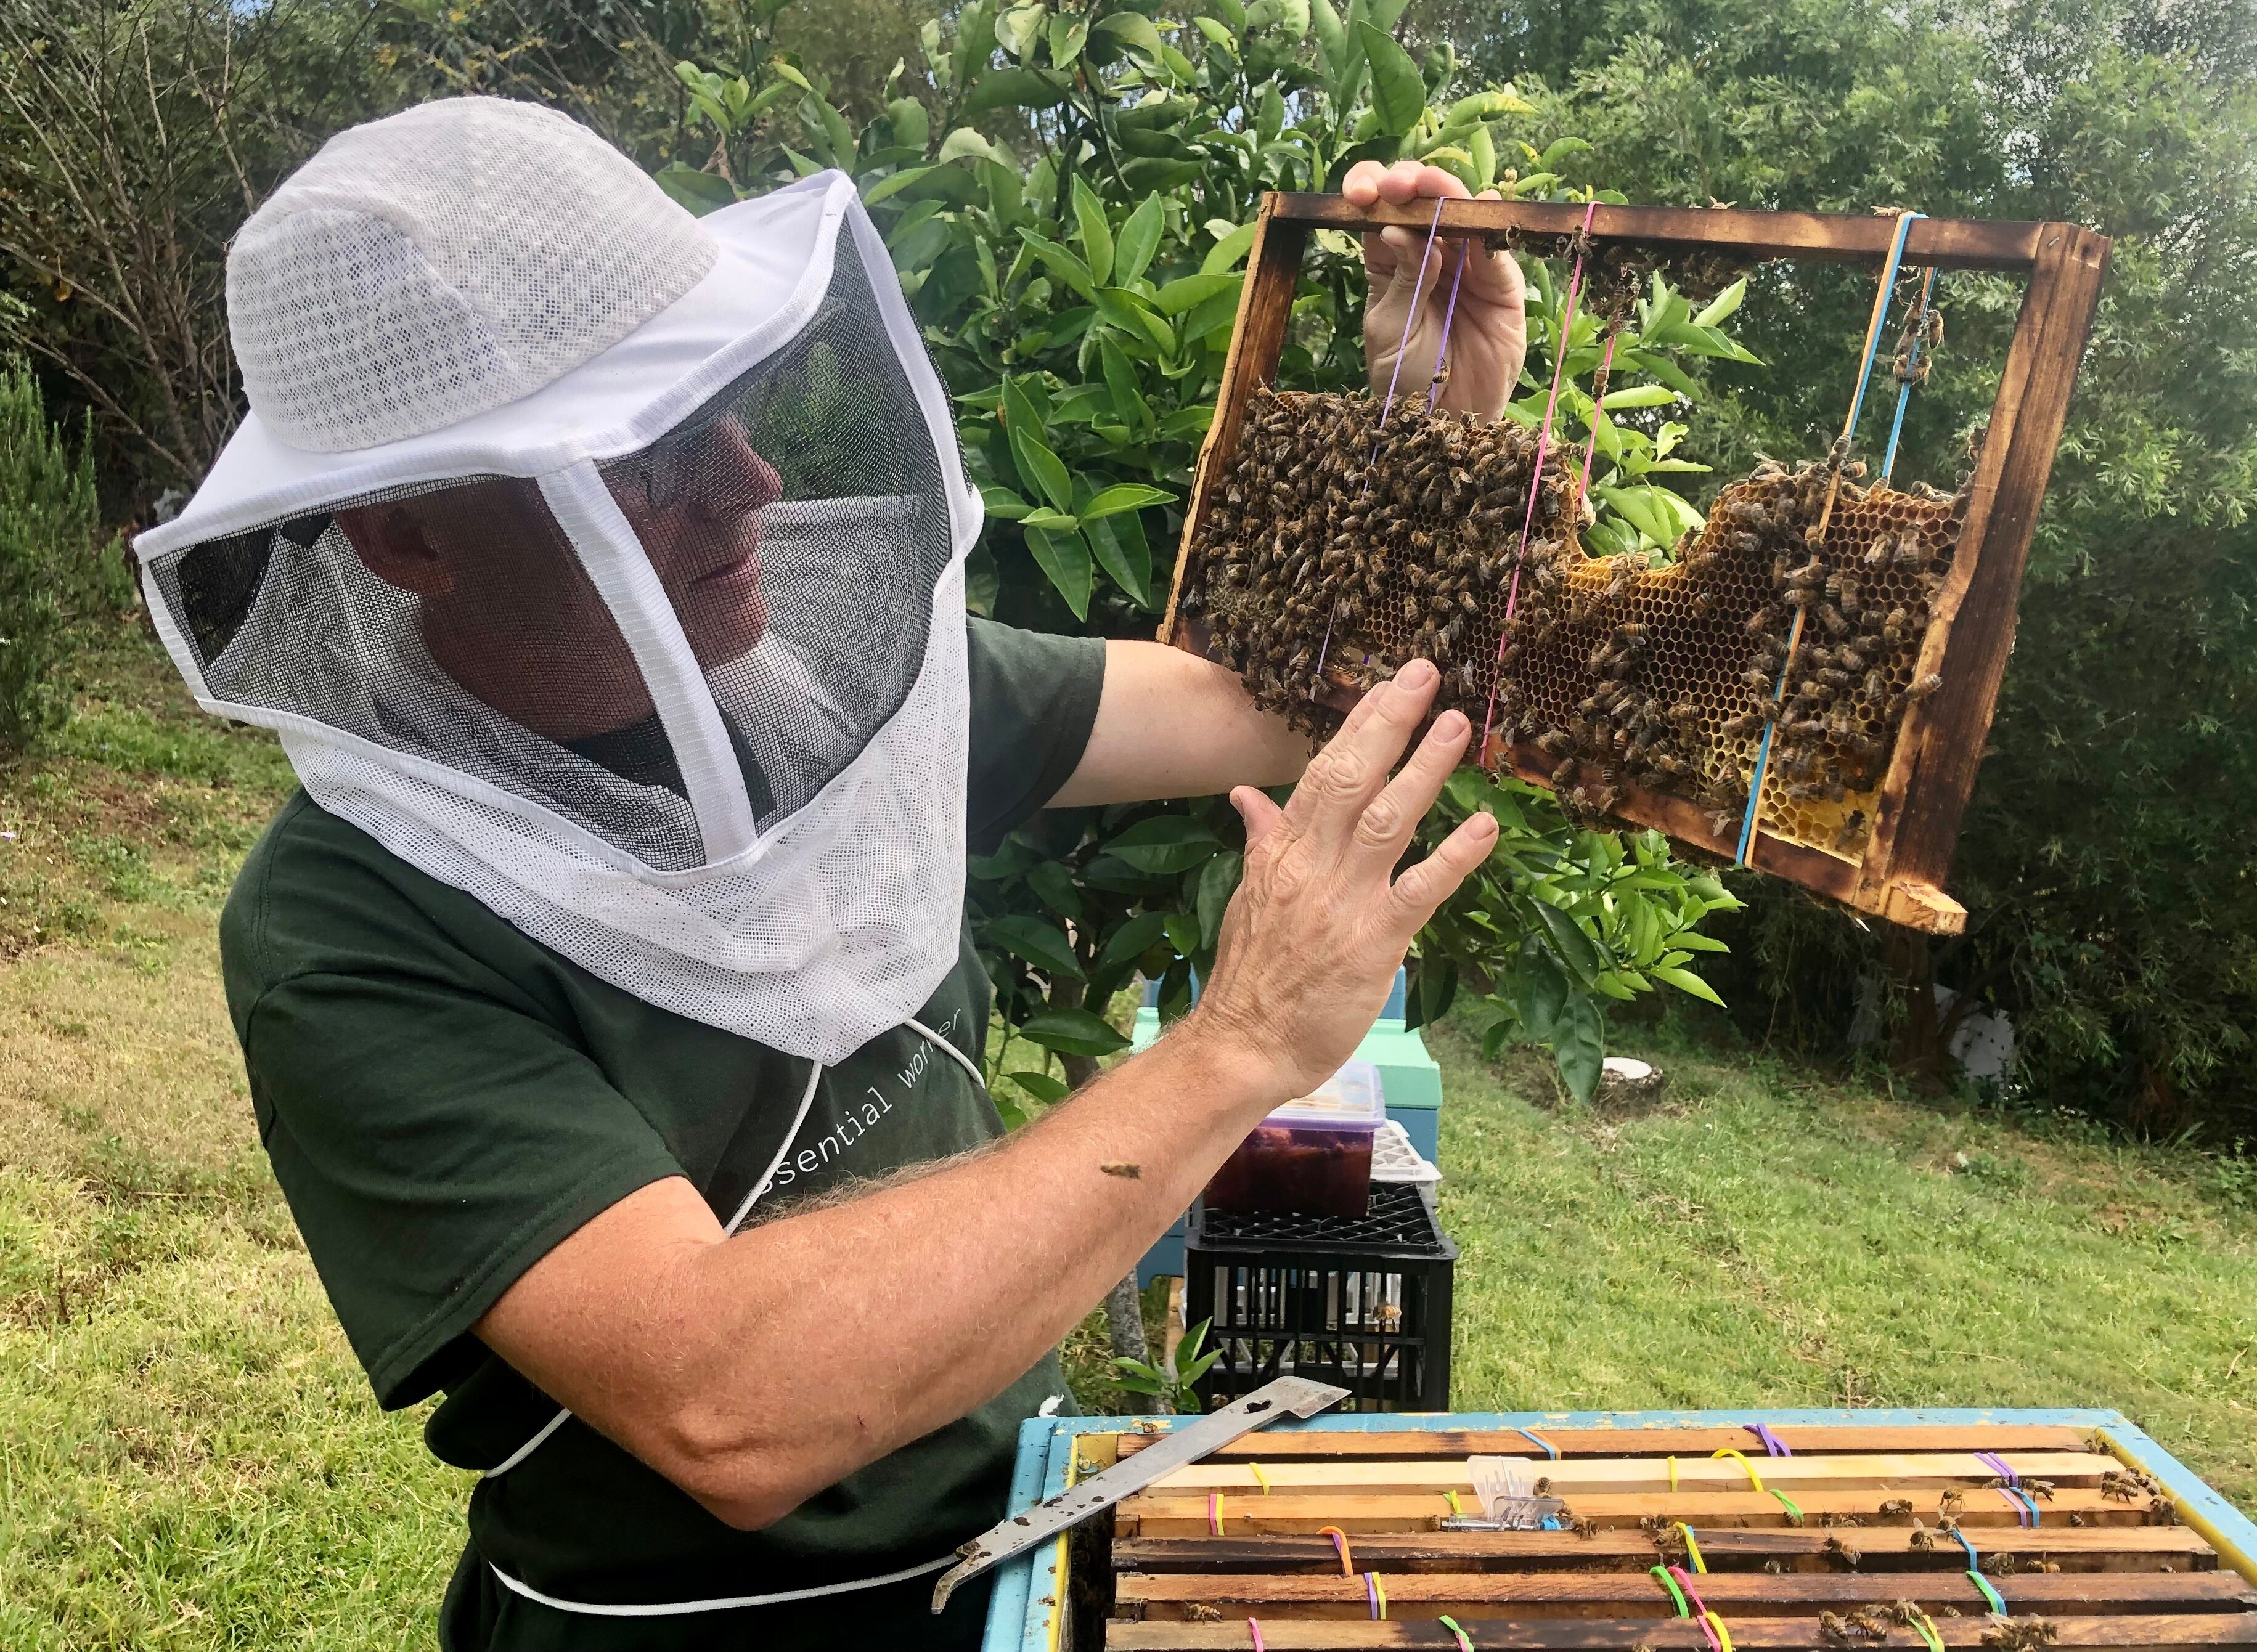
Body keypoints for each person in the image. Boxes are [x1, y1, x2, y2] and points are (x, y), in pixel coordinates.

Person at [134, 97, 1527, 1650]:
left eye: (733, 406)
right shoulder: (350, 921)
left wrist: (1437, 442)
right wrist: (1244, 1044)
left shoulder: (814, 676)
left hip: (1025, 1530)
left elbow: (1266, 703)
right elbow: (731, 1404)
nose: (755, 485)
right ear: (407, 537)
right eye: (650, 462)